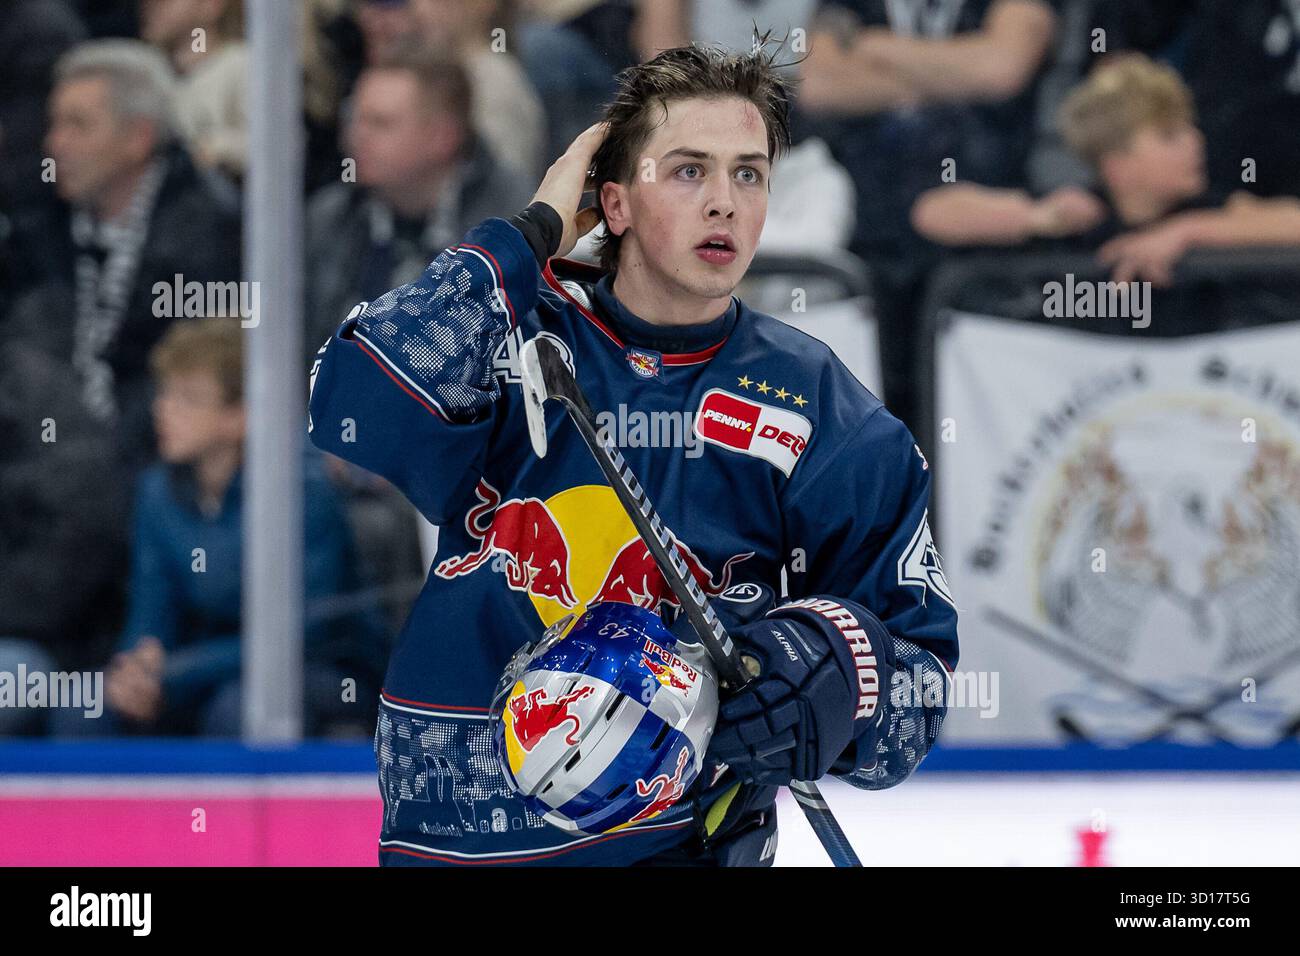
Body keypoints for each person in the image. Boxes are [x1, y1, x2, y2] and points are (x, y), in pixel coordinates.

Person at [308, 40, 958, 866]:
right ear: (611, 202)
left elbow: (921, 686)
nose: (724, 202)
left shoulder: (820, 405)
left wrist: (835, 670)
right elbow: (349, 405)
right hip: (457, 845)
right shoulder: (510, 335)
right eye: (688, 171)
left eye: (748, 174)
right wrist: (531, 232)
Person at [92, 318, 384, 738]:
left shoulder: (303, 490)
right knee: (96, 709)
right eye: (165, 392)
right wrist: (137, 666)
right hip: (205, 667)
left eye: (188, 398)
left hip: (325, 670)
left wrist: (174, 671)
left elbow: (302, 633)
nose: (163, 409)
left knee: (238, 708)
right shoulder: (157, 492)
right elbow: (151, 608)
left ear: (242, 414)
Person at [10, 39, 241, 470]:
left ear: (139, 137)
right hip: (45, 457)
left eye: (78, 125)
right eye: (54, 124)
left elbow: (192, 374)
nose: (54, 144)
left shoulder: (211, 236)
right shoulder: (41, 224)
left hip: (146, 469)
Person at [910, 54, 1300, 285]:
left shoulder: (1209, 210)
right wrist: (1035, 218)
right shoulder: (1080, 216)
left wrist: (1187, 232)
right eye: (1169, 135)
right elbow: (932, 214)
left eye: (1189, 127)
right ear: (1117, 161)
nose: (1195, 141)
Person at [304, 49, 533, 353]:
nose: (354, 136)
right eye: (354, 118)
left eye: (380, 123)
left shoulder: (513, 222)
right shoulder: (327, 219)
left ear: (443, 137)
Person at [139, 0, 249, 179]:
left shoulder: (242, 64)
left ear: (210, 5)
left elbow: (276, 144)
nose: (150, 6)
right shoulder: (148, 76)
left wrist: (213, 147)